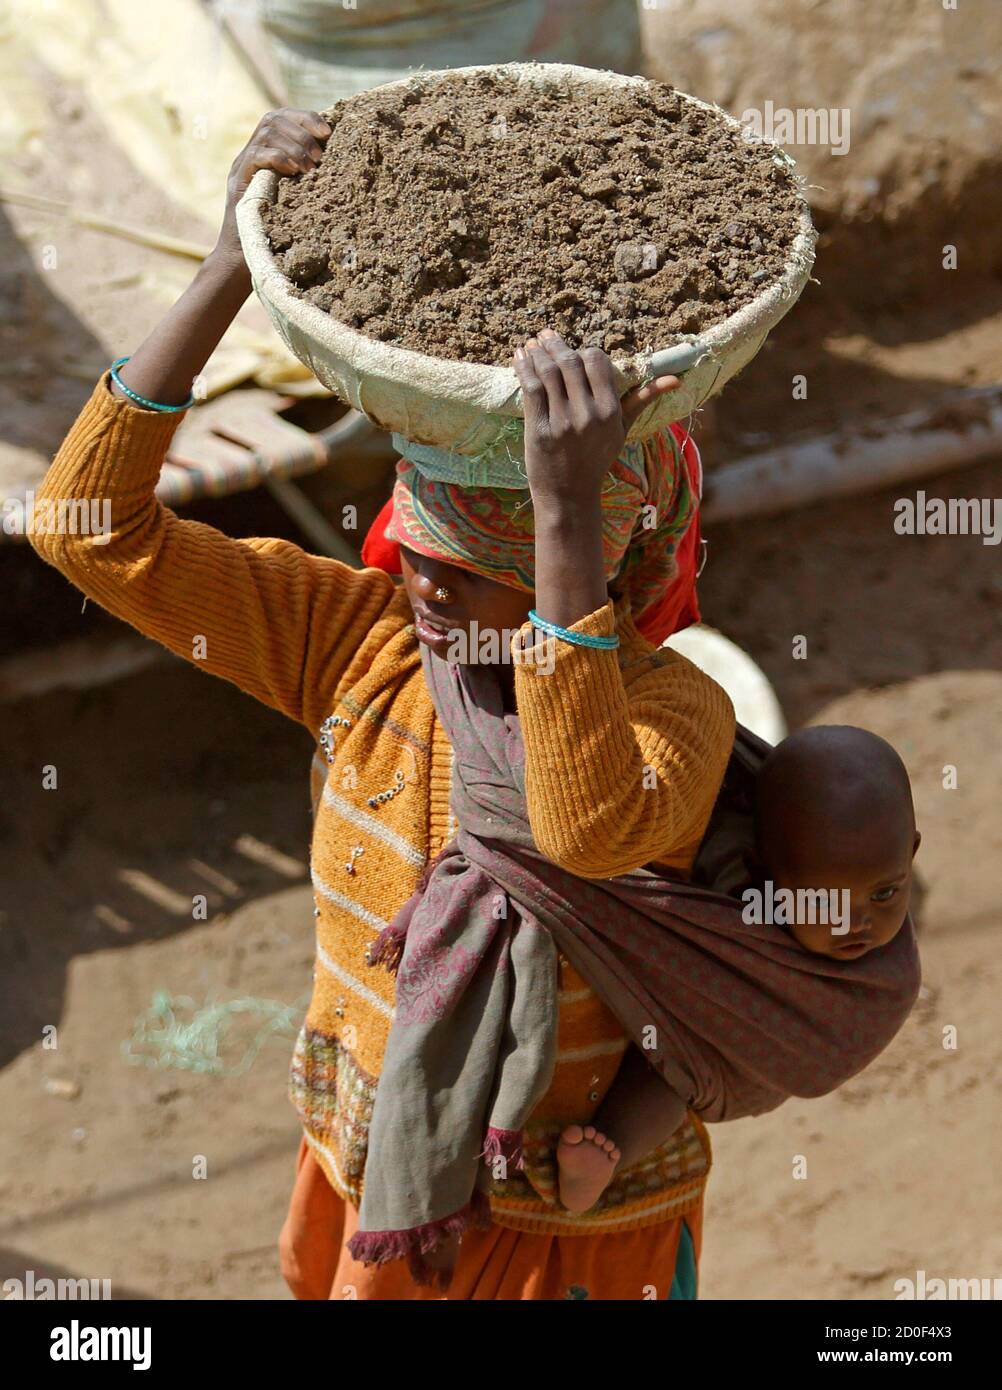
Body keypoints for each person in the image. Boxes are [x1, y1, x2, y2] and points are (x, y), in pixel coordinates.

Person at [29, 108, 736, 1300]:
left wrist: (562, 523)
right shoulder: (363, 647)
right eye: (412, 547)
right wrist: (224, 274)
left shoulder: (671, 712)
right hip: (377, 1180)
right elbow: (85, 529)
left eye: (462, 573)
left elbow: (584, 826)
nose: (414, 581)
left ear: (577, 573)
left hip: (570, 1229)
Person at [555, 724, 922, 1215]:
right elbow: (665, 910)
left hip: (740, 1060)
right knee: (664, 1069)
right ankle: (603, 1154)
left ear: (911, 855)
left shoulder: (883, 975)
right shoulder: (731, 869)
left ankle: (611, 1154)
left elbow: (838, 1033)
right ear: (763, 871)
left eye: (884, 894)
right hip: (688, 1016)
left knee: (675, 1082)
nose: (853, 921)